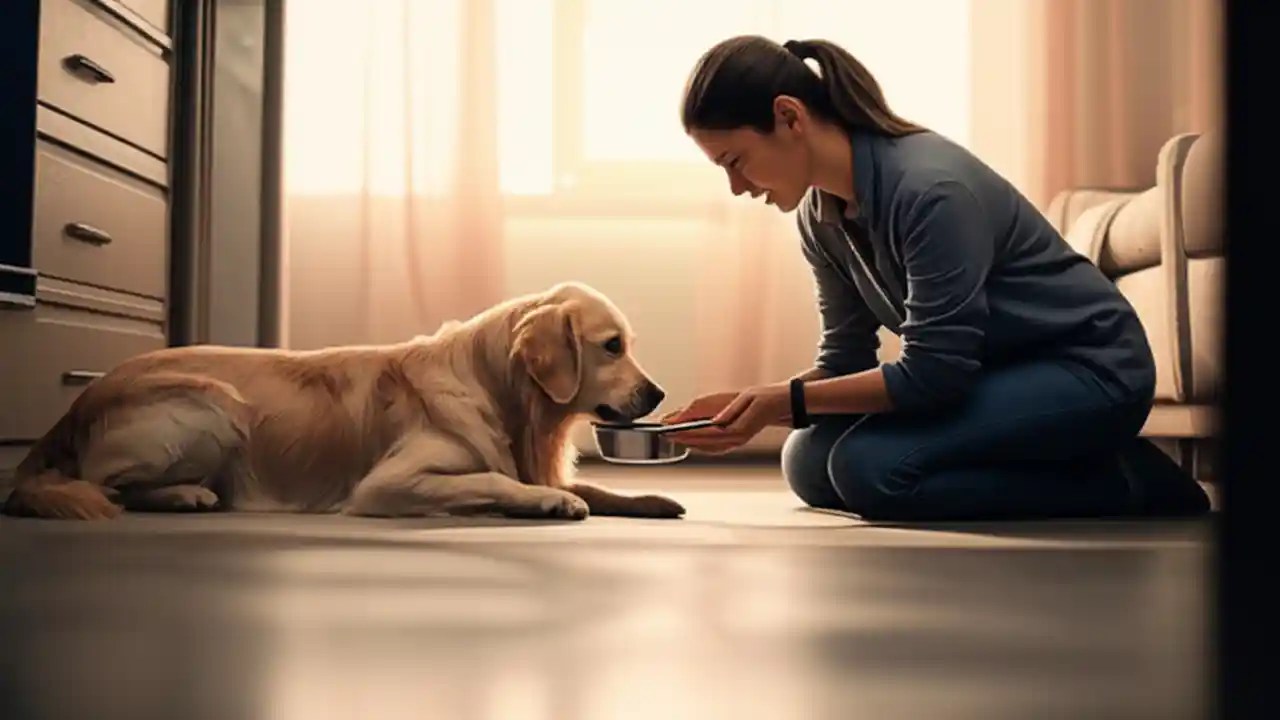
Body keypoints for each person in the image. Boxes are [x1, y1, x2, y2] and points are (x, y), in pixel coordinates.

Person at [661, 35, 1210, 521]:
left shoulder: (930, 191)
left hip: (1090, 371)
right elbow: (844, 361)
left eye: (736, 160)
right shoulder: (819, 216)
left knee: (868, 470)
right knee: (808, 461)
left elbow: (934, 374)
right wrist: (751, 409)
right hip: (993, 373)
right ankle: (1065, 456)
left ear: (789, 117)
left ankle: (1128, 482)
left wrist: (780, 400)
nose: (737, 187)